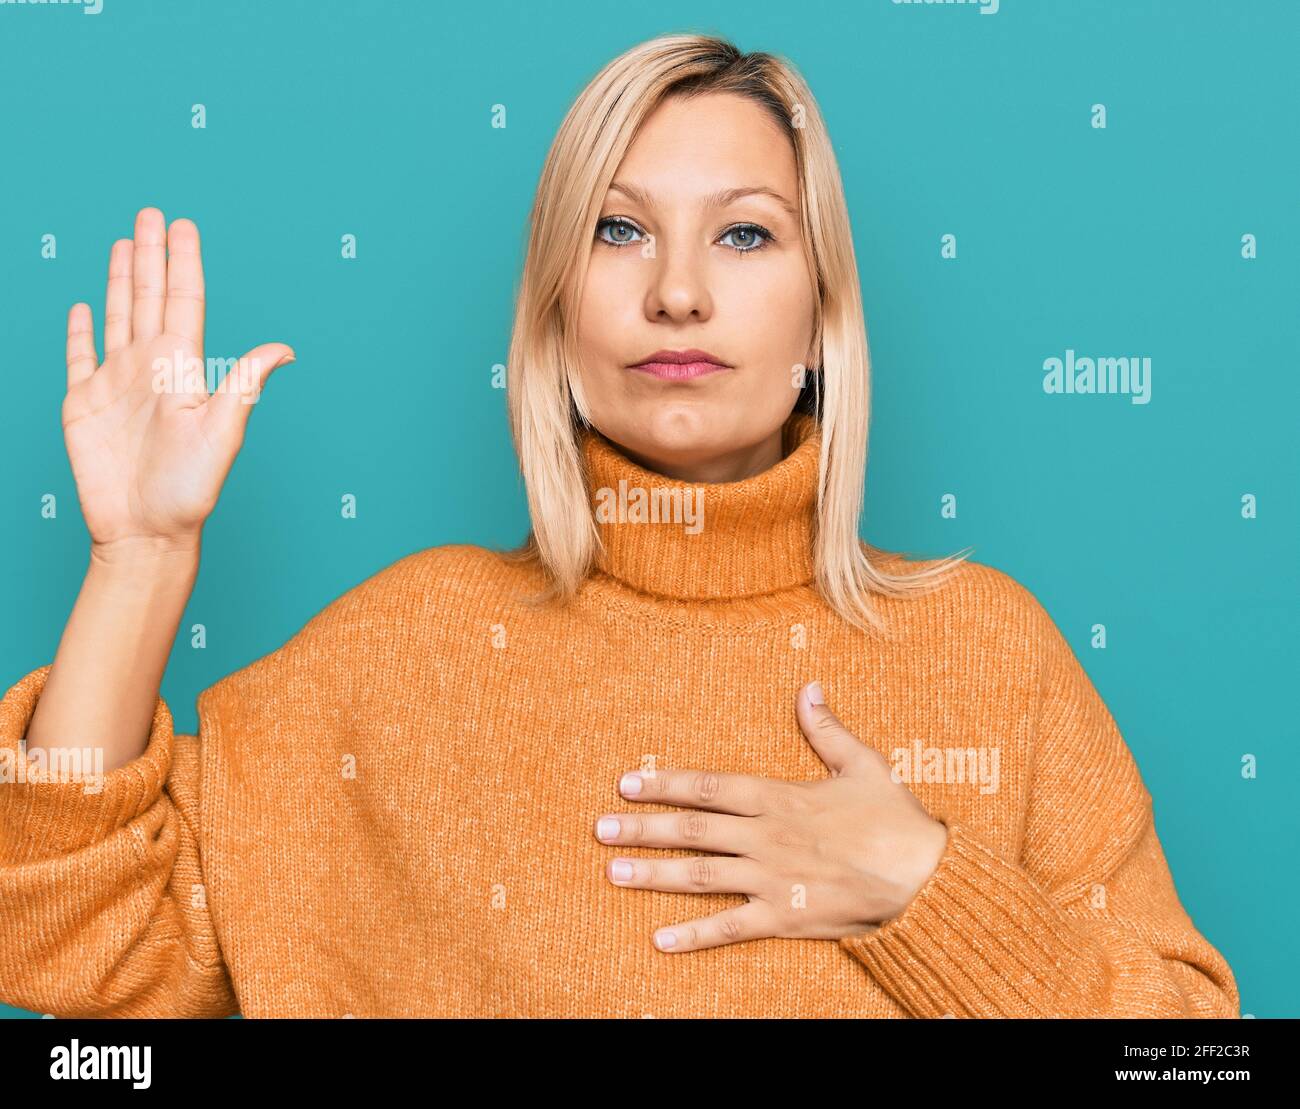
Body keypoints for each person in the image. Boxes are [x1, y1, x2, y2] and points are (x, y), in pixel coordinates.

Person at [0, 33, 1238, 1018]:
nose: (678, 289)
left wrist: (921, 887)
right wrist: (142, 561)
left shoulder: (989, 651)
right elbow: (76, 954)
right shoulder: (407, 648)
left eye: (745, 231)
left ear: (820, 324)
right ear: (553, 319)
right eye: (619, 228)